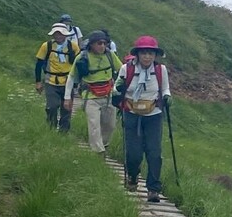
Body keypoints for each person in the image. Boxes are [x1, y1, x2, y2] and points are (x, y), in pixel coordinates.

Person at [112, 35, 171, 202]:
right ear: (137, 54)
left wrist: (167, 97)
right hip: (131, 113)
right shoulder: (126, 69)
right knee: (133, 153)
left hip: (154, 114)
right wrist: (118, 88)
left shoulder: (161, 70)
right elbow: (116, 90)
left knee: (154, 152)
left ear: (155, 55)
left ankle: (153, 189)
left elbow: (165, 89)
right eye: (144, 53)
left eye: (150, 53)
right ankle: (132, 175)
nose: (147, 57)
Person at [63, 30, 121, 154]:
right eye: (99, 43)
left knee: (110, 125)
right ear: (92, 44)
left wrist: (120, 89)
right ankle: (98, 151)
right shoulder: (82, 57)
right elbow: (72, 77)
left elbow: (122, 71)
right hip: (90, 96)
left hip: (109, 94)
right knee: (94, 125)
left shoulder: (110, 55)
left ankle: (104, 145)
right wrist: (67, 97)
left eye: (104, 43)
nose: (102, 46)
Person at [34, 23, 79, 131]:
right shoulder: (47, 46)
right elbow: (38, 64)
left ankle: (64, 132)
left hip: (68, 81)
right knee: (52, 106)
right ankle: (51, 127)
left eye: (61, 33)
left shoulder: (73, 47)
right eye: (56, 34)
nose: (58, 36)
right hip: (51, 81)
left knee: (66, 108)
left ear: (65, 35)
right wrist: (38, 82)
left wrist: (77, 82)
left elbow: (78, 65)